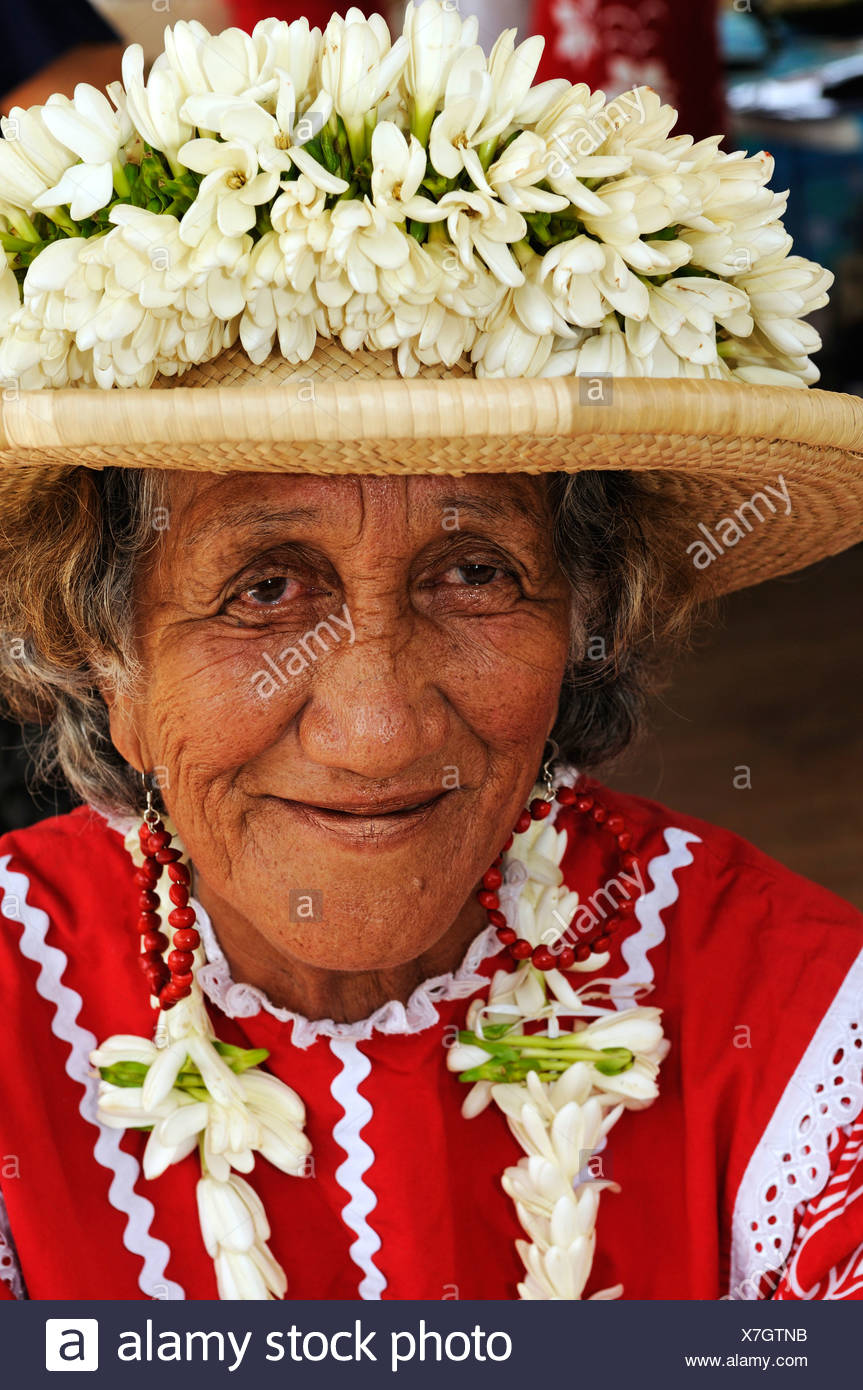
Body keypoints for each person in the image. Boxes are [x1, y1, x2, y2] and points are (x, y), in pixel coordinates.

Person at [0, 6, 862, 1303]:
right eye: (264, 589)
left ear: (586, 613)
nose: (378, 729)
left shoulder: (787, 1007)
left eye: (474, 574)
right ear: (101, 646)